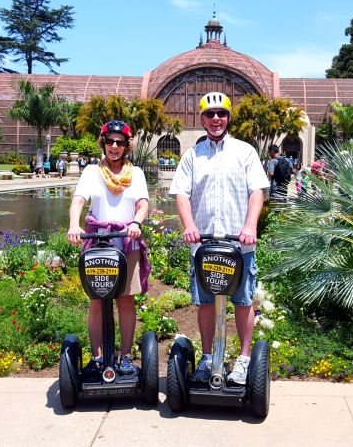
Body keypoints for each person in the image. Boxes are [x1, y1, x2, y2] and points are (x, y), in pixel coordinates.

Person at [170, 91, 269, 385]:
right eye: (210, 114)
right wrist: (189, 225)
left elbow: (257, 192)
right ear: (202, 118)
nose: (216, 119)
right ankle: (209, 357)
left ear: (228, 117)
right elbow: (181, 194)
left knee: (242, 300)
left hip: (240, 245)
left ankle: (243, 358)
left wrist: (250, 226)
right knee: (205, 303)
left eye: (221, 114)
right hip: (204, 245)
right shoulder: (192, 155)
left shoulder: (245, 152)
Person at [68, 120, 150, 377]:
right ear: (103, 143)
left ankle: (125, 357)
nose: (114, 146)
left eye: (120, 142)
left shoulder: (135, 173)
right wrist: (74, 224)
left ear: (127, 146)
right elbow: (78, 201)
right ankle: (97, 357)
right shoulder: (92, 172)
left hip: (127, 241)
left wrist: (136, 222)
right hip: (98, 244)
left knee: (126, 300)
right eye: (109, 141)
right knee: (96, 301)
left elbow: (143, 204)